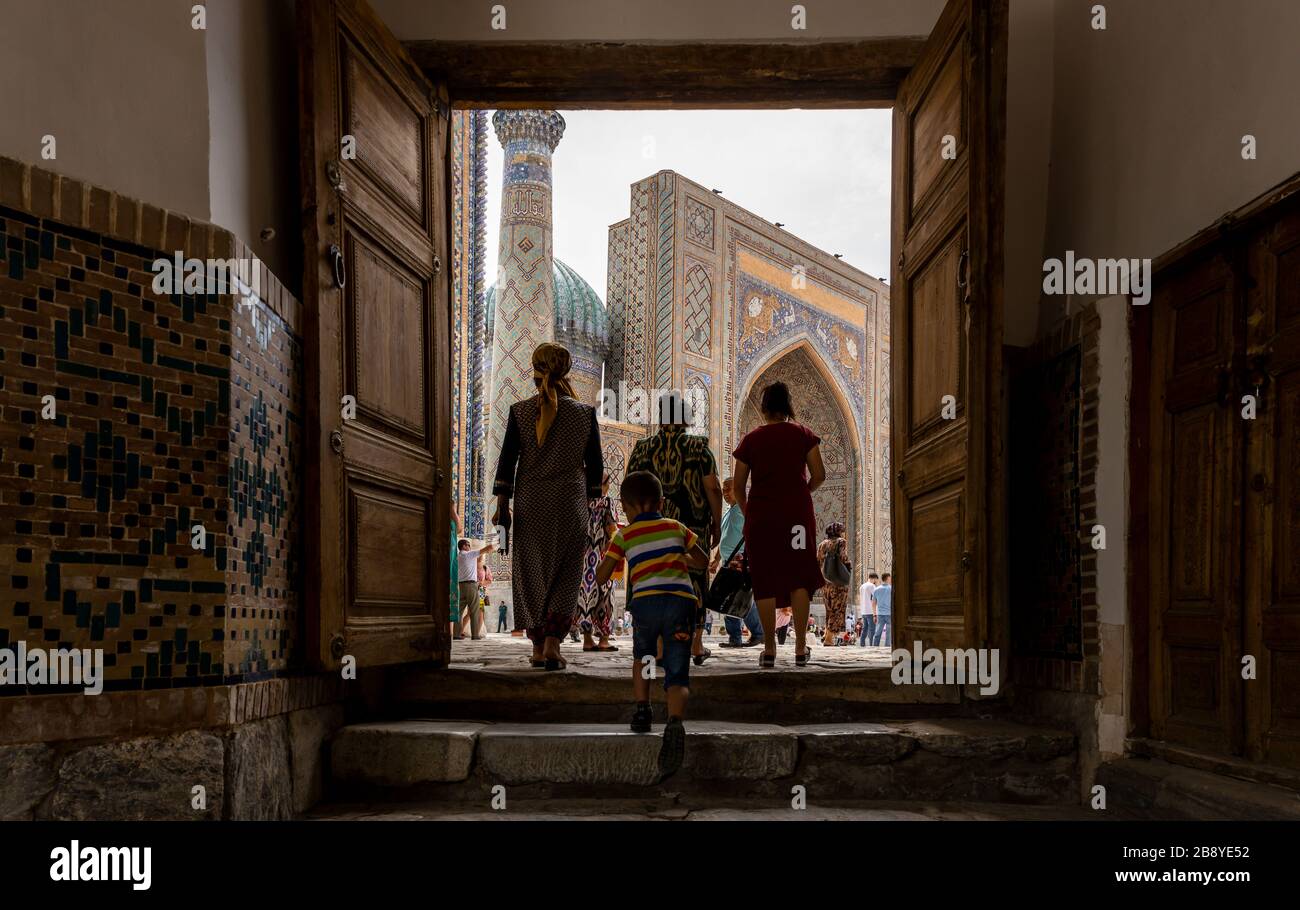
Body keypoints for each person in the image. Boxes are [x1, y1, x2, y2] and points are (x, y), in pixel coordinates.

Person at [492, 342, 604, 670]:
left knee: (531, 575)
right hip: (570, 506)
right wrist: (589, 502)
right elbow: (595, 469)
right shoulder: (584, 414)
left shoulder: (520, 411)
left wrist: (503, 507)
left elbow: (507, 462)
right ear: (566, 370)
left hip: (530, 504)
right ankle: (555, 645)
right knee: (566, 575)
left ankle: (539, 648)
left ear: (535, 369)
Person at [596, 471, 709, 778]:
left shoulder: (625, 534)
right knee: (677, 670)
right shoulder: (676, 527)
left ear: (626, 507)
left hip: (646, 605)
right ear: (661, 502)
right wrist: (676, 559)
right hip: (681, 603)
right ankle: (674, 721)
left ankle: (643, 710)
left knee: (644, 657)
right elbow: (701, 561)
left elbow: (603, 574)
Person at [732, 381, 825, 668]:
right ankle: (799, 648)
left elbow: (737, 486)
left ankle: (770, 649)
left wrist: (750, 513)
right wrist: (800, 494)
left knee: (765, 578)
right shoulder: (803, 435)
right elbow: (819, 475)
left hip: (763, 517)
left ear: (763, 408)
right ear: (788, 407)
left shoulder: (751, 440)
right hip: (796, 516)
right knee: (799, 575)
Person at [626, 391, 722, 665]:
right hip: (691, 527)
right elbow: (712, 489)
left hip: (648, 528)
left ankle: (657, 645)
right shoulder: (698, 448)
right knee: (692, 582)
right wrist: (716, 522)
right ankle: (696, 644)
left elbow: (629, 487)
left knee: (651, 575)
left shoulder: (643, 448)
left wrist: (634, 524)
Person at [713, 476, 764, 649]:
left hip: (741, 560)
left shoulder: (744, 509)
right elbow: (726, 539)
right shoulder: (730, 511)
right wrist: (716, 559)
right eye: (723, 490)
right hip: (729, 561)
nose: (725, 493)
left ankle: (757, 633)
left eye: (729, 488)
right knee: (731, 599)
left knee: (738, 598)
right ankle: (736, 637)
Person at [577, 473, 620, 651]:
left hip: (582, 561)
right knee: (605, 596)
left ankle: (587, 639)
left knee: (585, 598)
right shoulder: (606, 502)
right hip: (602, 558)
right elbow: (612, 529)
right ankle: (603, 639)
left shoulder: (579, 502)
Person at [816, 522, 851, 646]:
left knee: (829, 608)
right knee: (837, 609)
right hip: (838, 583)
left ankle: (826, 633)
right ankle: (829, 639)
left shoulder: (822, 544)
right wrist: (848, 565)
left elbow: (818, 561)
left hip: (825, 582)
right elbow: (843, 557)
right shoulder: (841, 541)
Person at [456, 538, 495, 640]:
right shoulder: (469, 554)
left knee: (459, 611)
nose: (469, 547)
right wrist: (496, 543)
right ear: (464, 546)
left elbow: (479, 559)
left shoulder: (458, 556)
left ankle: (456, 634)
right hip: (472, 586)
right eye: (468, 545)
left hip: (461, 586)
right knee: (475, 610)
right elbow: (487, 548)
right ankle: (475, 635)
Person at [872, 572, 893, 647]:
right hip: (889, 614)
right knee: (888, 634)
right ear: (888, 578)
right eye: (890, 578)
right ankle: (887, 648)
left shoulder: (876, 589)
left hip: (880, 614)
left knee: (877, 632)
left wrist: (874, 615)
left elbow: (873, 603)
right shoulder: (892, 589)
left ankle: (875, 647)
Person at [859, 572, 879, 646]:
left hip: (864, 611)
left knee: (864, 629)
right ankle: (871, 644)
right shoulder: (872, 586)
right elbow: (876, 596)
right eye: (876, 580)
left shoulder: (862, 586)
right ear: (874, 578)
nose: (876, 581)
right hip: (870, 611)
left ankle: (862, 643)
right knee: (872, 629)